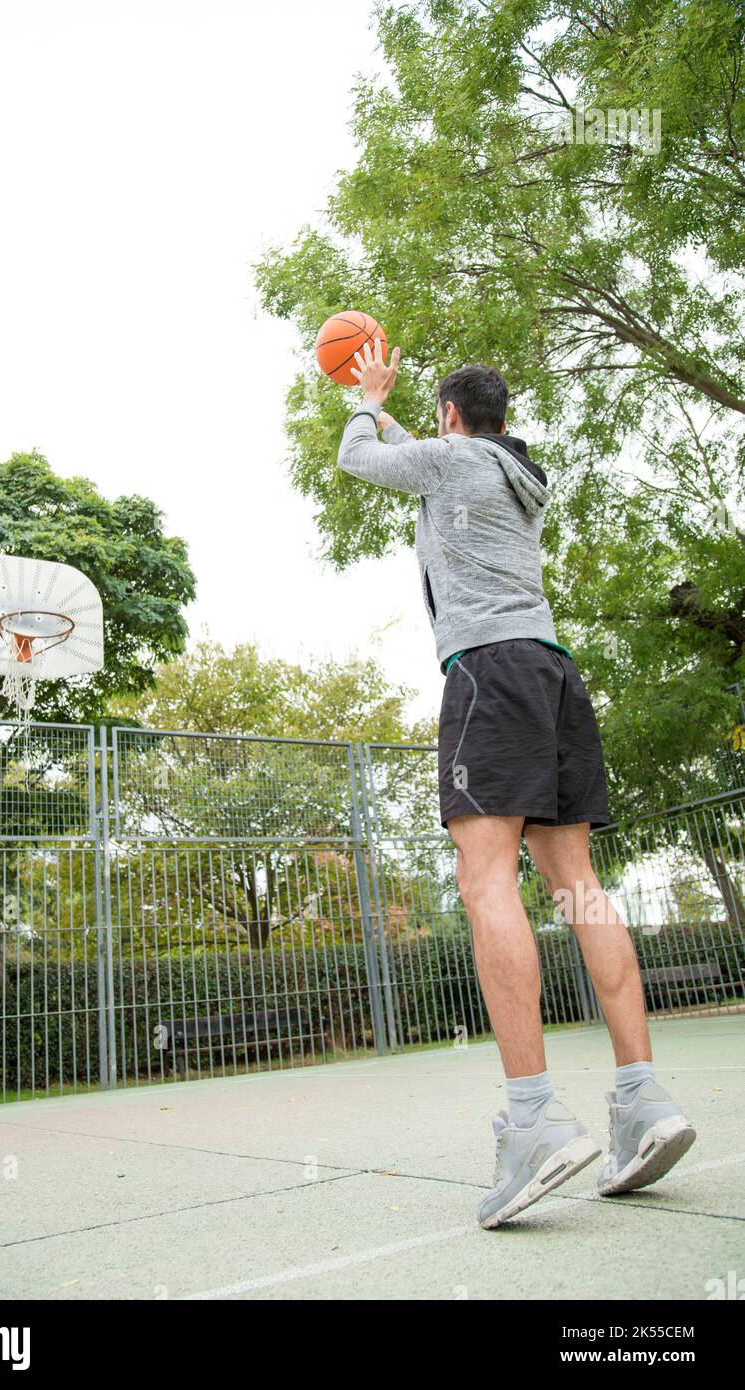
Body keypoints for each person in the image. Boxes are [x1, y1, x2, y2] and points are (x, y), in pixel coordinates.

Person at [338, 338, 696, 1229]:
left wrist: (369, 396)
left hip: (486, 674)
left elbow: (358, 458)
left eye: (437, 418)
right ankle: (643, 1098)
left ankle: (533, 1118)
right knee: (575, 883)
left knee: (484, 877)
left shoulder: (450, 456)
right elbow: (432, 451)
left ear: (451, 418)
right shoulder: (511, 470)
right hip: (553, 671)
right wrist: (400, 414)